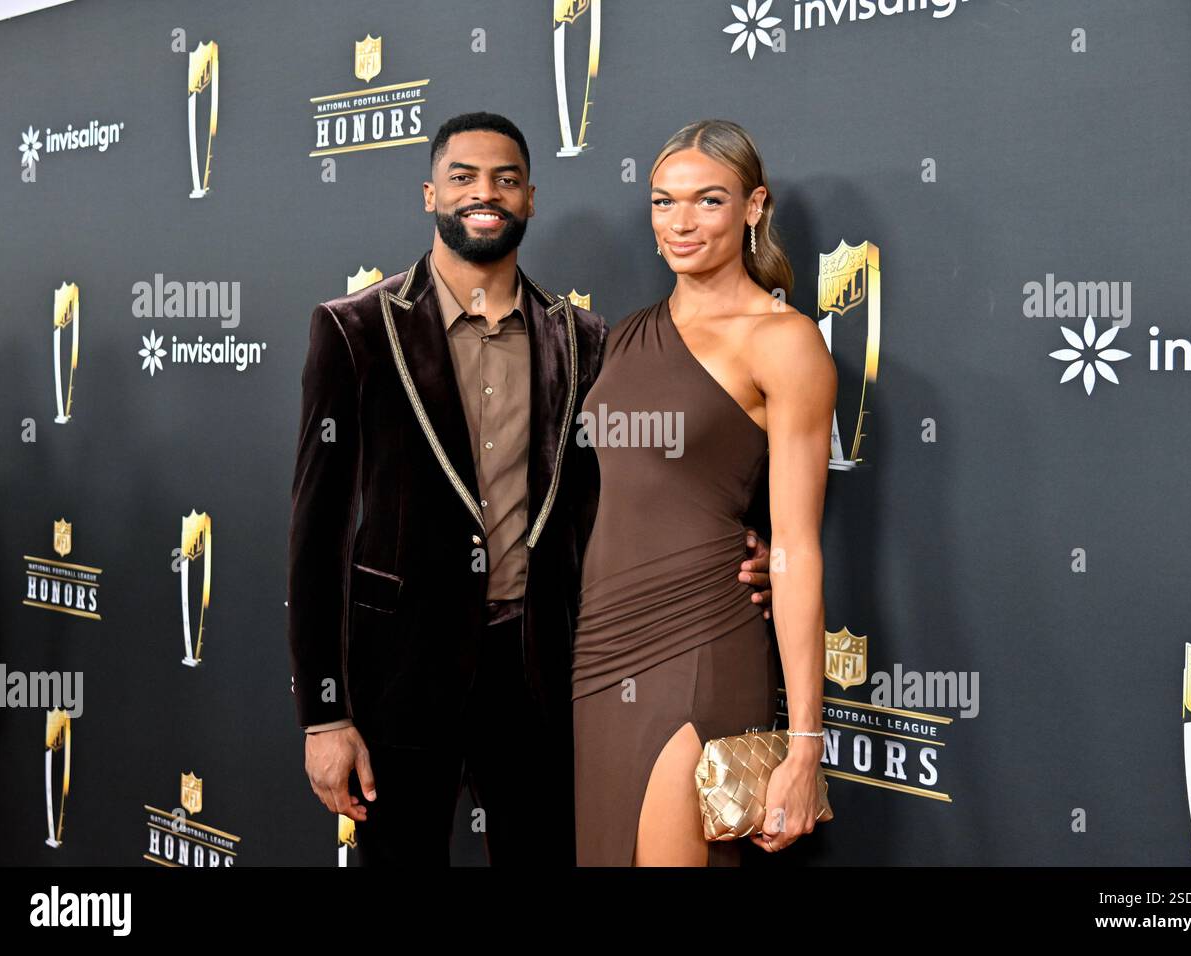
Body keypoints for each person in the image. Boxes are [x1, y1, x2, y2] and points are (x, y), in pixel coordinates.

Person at [286, 112, 775, 866]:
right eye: (463, 178)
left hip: (541, 672)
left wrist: (734, 546)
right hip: (399, 678)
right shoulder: (355, 329)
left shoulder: (583, 340)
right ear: (429, 194)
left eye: (505, 180)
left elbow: (627, 487)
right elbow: (315, 538)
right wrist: (324, 715)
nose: (485, 194)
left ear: (530, 199)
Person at [571, 119, 836, 866]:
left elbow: (796, 548)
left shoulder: (784, 342)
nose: (680, 223)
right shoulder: (618, 338)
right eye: (663, 202)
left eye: (707, 201)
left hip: (695, 641)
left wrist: (806, 743)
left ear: (754, 206)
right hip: (594, 651)